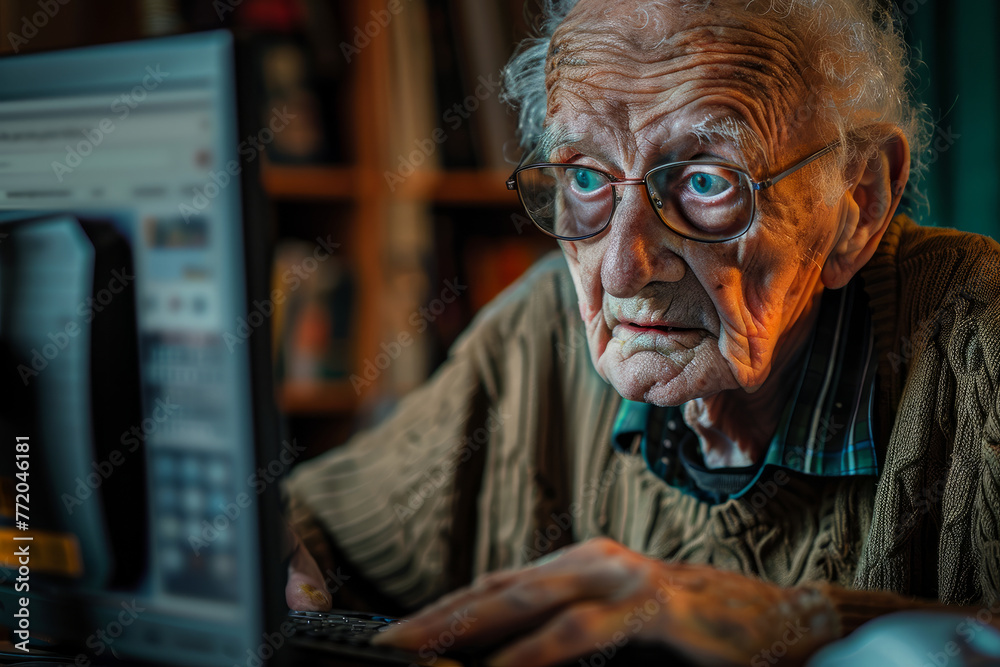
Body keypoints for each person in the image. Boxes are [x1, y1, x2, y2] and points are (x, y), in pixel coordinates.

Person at [283, 0, 1000, 664]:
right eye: (586, 177)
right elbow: (316, 529)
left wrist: (808, 626)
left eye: (705, 180)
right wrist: (278, 556)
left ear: (858, 202)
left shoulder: (980, 342)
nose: (623, 269)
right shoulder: (541, 331)